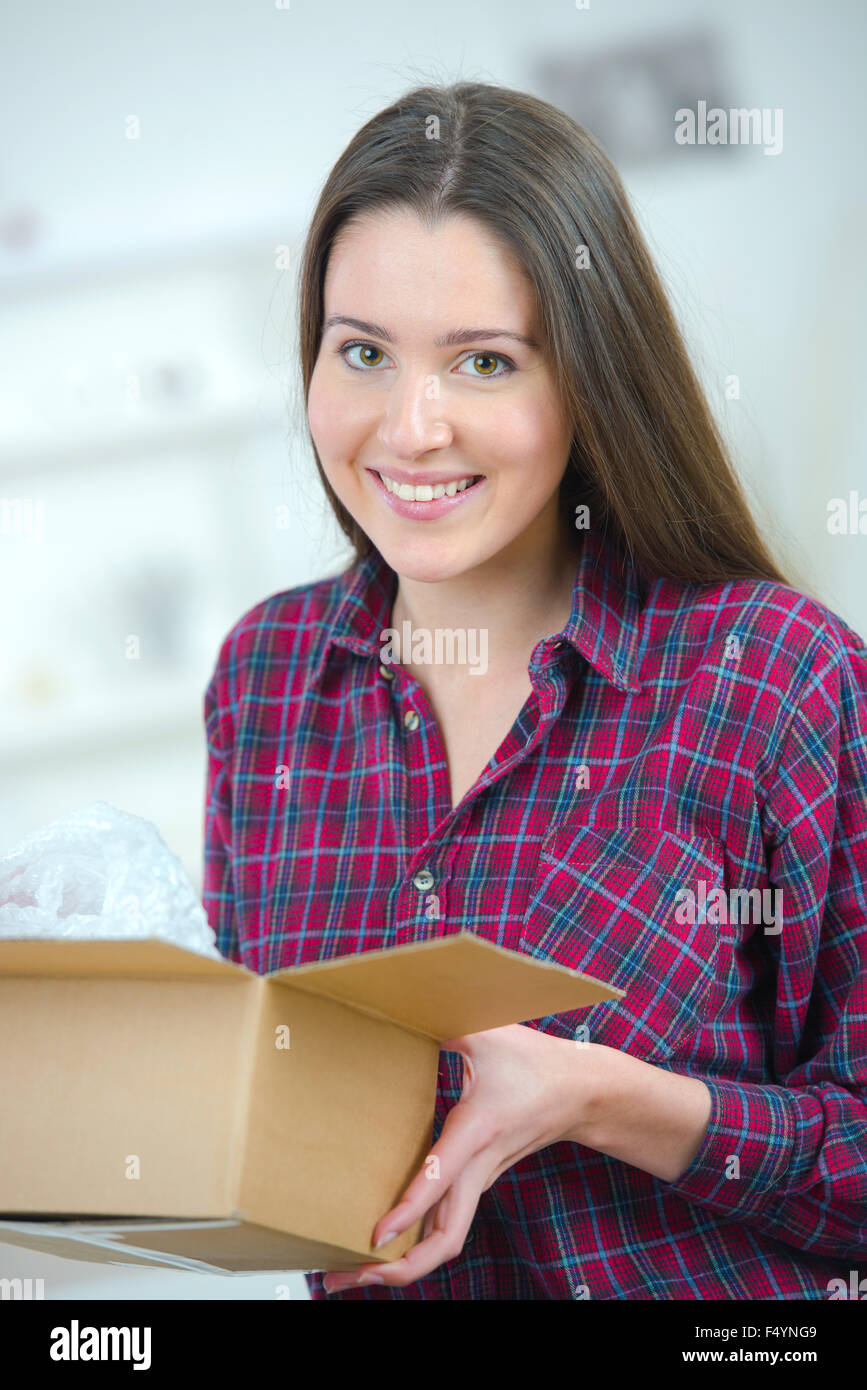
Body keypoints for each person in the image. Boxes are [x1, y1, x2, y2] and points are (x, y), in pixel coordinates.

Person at [202, 81, 867, 1300]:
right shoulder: (264, 681)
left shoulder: (773, 676)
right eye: (362, 353)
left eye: (484, 361)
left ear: (590, 377)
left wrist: (608, 1100)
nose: (410, 428)